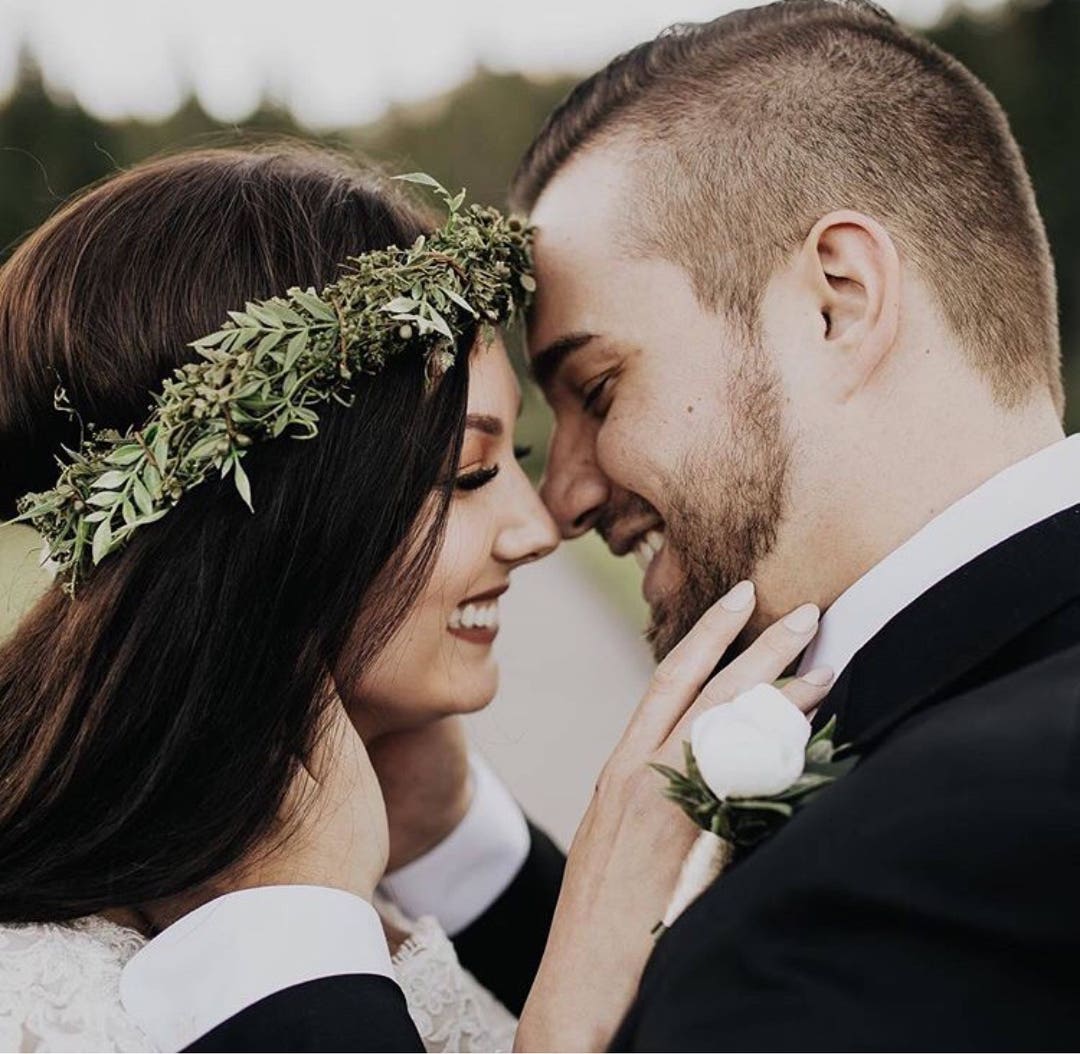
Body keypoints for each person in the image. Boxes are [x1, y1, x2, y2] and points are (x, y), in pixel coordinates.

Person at [146, 2, 1080, 1050]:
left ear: (838, 299)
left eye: (596, 386)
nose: (562, 500)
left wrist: (281, 951)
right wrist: (463, 851)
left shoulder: (947, 846)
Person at [0, 142, 832, 1053]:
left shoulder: (380, 865)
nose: (537, 530)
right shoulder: (42, 1005)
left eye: (511, 457)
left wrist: (454, 838)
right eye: (470, 473)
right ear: (269, 522)